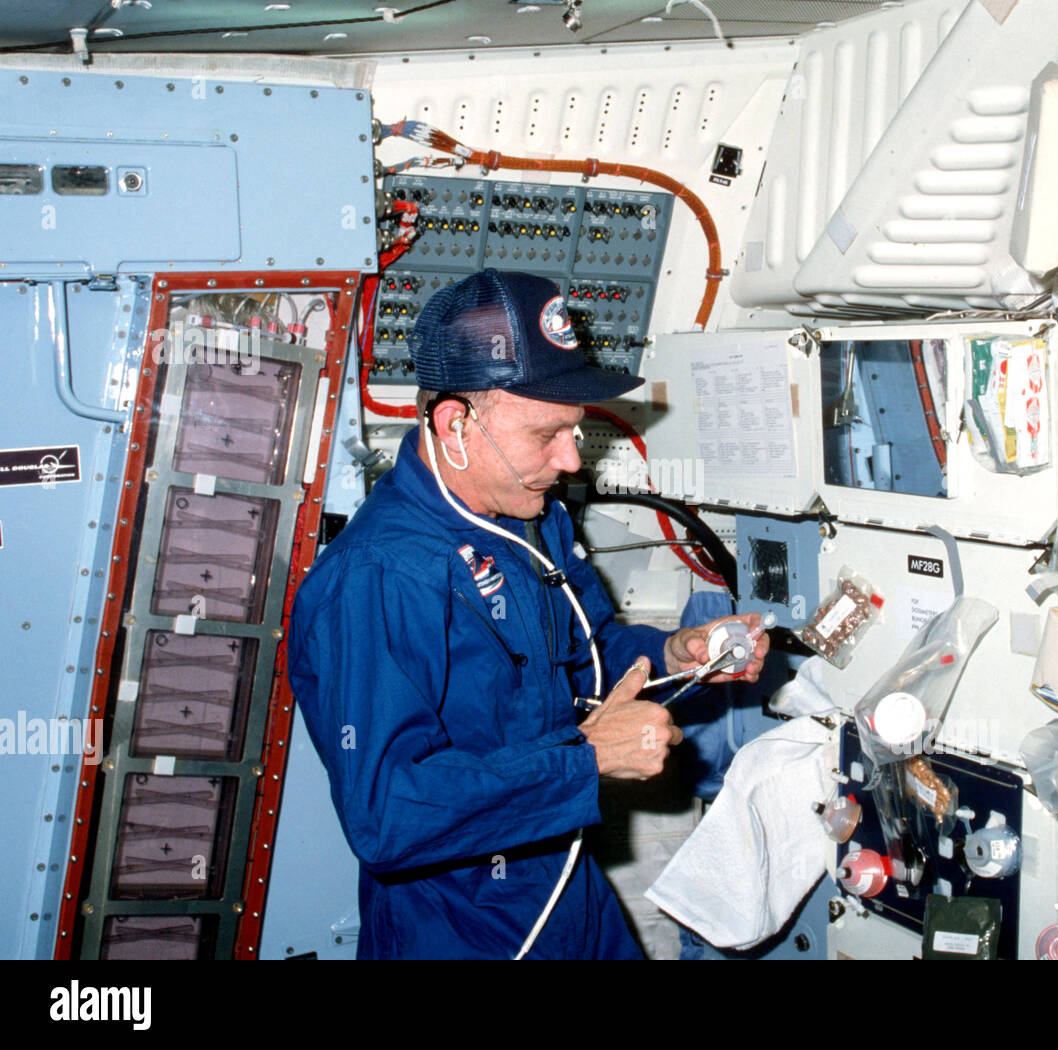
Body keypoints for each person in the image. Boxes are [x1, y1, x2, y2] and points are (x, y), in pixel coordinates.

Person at [287, 268, 769, 959]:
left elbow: (588, 649)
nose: (571, 460)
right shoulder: (382, 577)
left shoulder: (529, 521)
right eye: (547, 434)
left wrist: (673, 654)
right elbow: (386, 816)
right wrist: (586, 760)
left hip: (566, 891)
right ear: (456, 425)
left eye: (574, 431)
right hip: (464, 928)